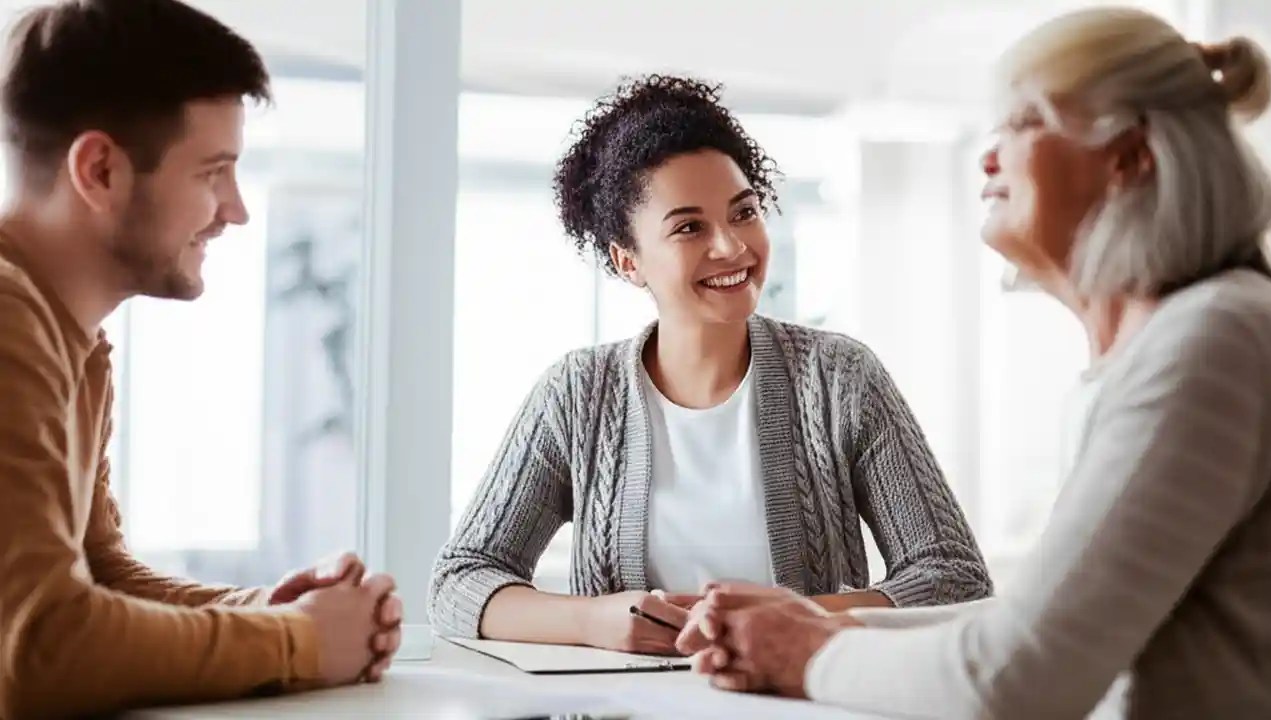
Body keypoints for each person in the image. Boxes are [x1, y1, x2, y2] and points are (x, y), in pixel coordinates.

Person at [685, 7, 1271, 719]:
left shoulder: (1210, 340)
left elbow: (1011, 678)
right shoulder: (1180, 342)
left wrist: (802, 650)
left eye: (1025, 123)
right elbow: (1032, 630)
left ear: (1128, 157)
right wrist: (820, 627)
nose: (989, 156)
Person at [429, 75, 991, 654]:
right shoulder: (576, 395)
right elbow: (460, 582)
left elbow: (954, 579)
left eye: (744, 212)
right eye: (689, 227)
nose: (731, 247)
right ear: (629, 262)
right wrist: (593, 621)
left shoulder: (841, 377)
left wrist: (797, 618)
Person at [0, 1, 401, 717]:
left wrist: (272, 608)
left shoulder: (73, 339)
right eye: (213, 172)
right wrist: (297, 643)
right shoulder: (7, 320)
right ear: (99, 170)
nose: (236, 209)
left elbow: (99, 572)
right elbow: (40, 643)